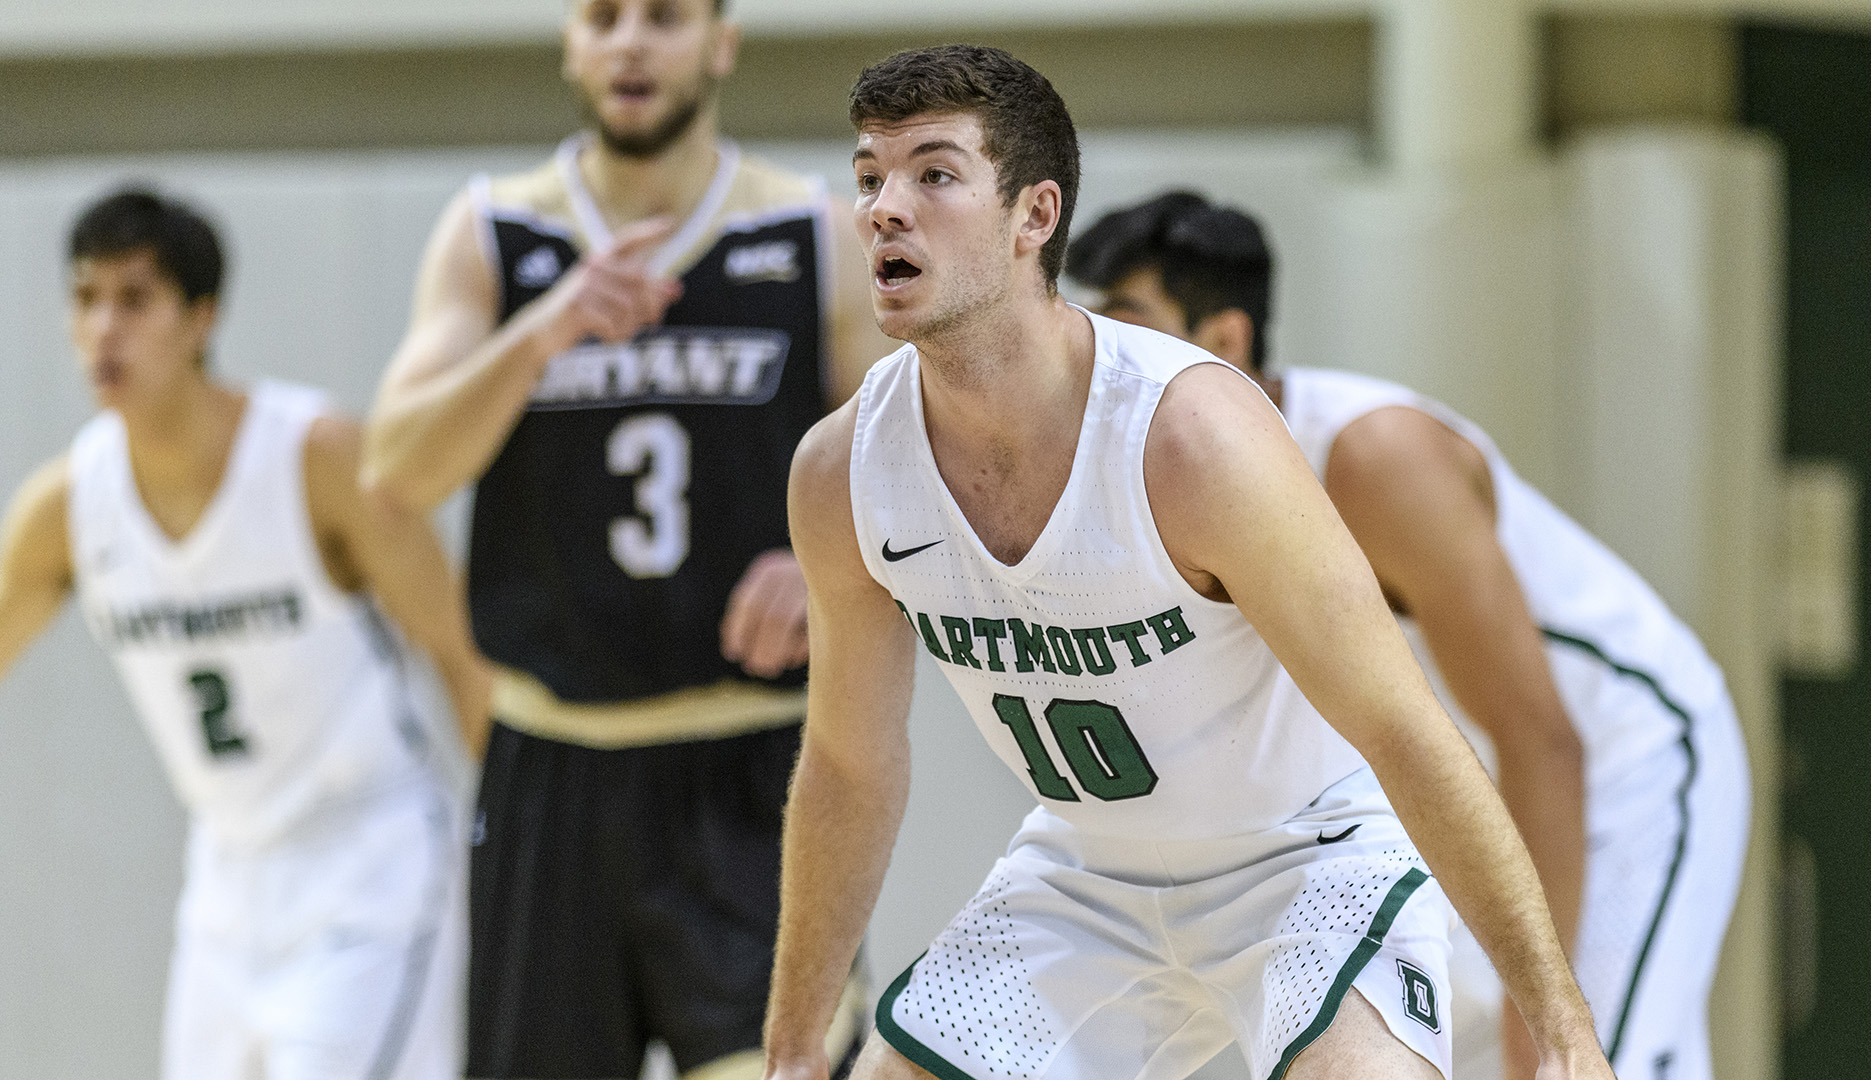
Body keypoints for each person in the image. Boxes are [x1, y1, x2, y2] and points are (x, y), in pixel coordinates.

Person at [763, 45, 1618, 1080]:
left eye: (933, 175)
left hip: (1308, 862)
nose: (885, 208)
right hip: (1086, 873)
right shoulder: (843, 470)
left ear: (1035, 217)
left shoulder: (1194, 435)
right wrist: (796, 1042)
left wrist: (1564, 1030)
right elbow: (850, 766)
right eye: (869, 178)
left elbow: (1404, 726)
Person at [1065, 190, 1750, 1080]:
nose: (1103, 364)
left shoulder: (1376, 461)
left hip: (1627, 757)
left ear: (1226, 341)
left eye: (1129, 329)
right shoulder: (1159, 482)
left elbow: (1543, 741)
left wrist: (1534, 1031)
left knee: (1587, 1058)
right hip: (1463, 783)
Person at [361, 2, 893, 1078]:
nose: (632, 44)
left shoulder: (810, 232)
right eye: (604, 17)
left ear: (721, 42)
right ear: (570, 42)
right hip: (553, 776)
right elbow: (396, 470)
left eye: (664, 16)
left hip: (756, 772)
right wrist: (544, 329)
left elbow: (912, 473)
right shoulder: (495, 234)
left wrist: (826, 561)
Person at [0, 188, 488, 1079]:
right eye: (85, 298)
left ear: (201, 318)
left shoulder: (317, 457)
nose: (104, 327)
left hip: (371, 868)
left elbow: (460, 655)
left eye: (134, 299)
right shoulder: (68, 505)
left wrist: (510, 863)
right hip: (226, 884)